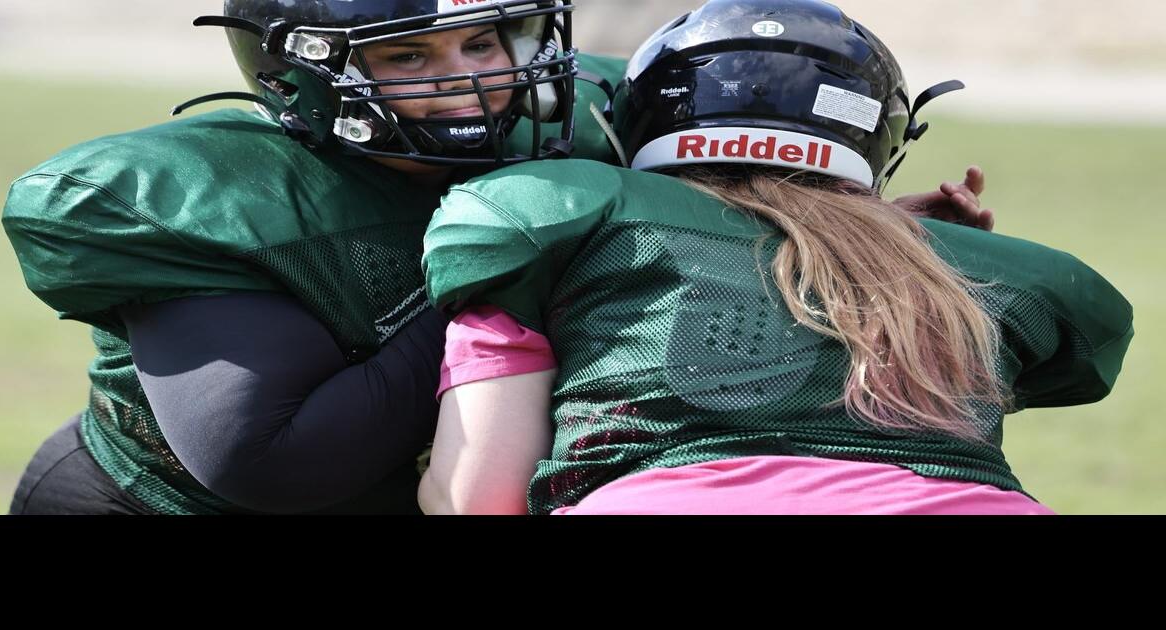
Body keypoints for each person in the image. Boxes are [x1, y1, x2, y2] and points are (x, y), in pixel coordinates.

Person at [418, 0, 1134, 515]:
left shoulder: (548, 216)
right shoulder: (997, 274)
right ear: (881, 134)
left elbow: (475, 497)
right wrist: (921, 254)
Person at [1, 0, 628, 515]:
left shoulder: (583, 132)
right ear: (299, 69)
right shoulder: (237, 193)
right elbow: (274, 462)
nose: (466, 81)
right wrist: (507, 279)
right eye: (408, 54)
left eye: (483, 44)